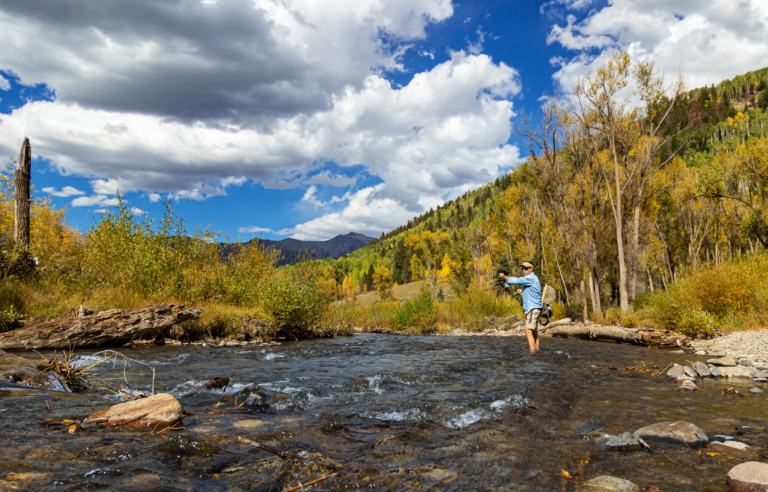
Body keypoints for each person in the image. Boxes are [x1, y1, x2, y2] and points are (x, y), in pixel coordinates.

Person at [499, 261, 543, 353]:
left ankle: (532, 353)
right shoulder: (531, 279)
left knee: (528, 331)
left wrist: (504, 277)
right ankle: (537, 351)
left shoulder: (531, 278)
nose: (524, 270)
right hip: (534, 308)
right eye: (523, 269)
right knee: (534, 332)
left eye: (526, 269)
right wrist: (522, 293)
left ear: (531, 269)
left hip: (532, 309)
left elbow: (516, 280)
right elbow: (532, 296)